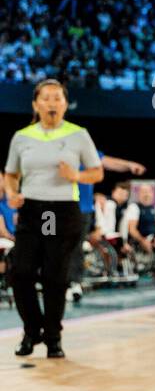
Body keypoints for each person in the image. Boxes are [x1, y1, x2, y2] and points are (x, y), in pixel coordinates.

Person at [4, 80, 105, 357]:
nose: (52, 103)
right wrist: (12, 194)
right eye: (46, 98)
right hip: (32, 209)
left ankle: (52, 339)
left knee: (54, 276)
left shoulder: (78, 134)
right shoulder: (22, 137)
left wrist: (77, 176)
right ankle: (32, 329)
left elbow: (97, 172)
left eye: (57, 98)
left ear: (65, 104)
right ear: (36, 104)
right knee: (21, 271)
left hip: (58, 211)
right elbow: (11, 175)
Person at [67, 149, 145, 303]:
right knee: (49, 241)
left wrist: (129, 165)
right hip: (50, 209)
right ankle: (49, 281)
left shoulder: (85, 150)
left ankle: (73, 283)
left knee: (75, 247)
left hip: (81, 210)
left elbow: (108, 162)